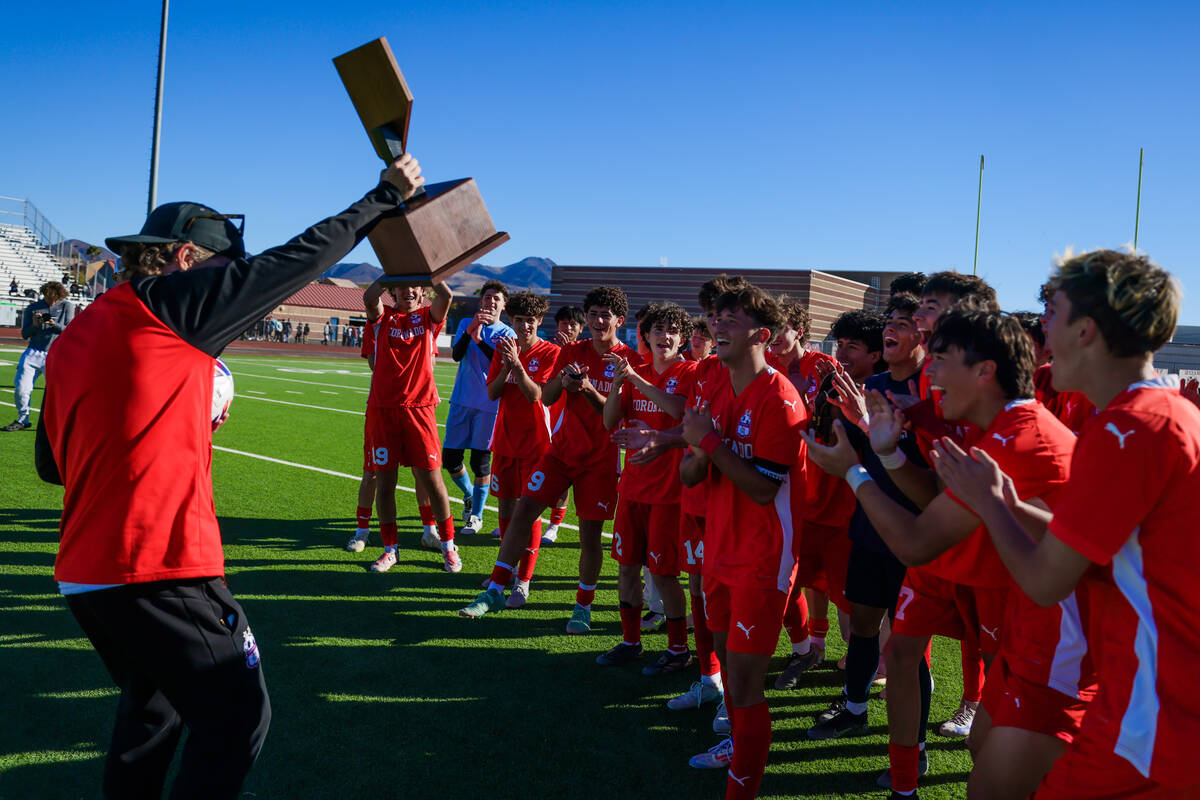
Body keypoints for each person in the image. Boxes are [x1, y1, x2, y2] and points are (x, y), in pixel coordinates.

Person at [33, 153, 425, 799]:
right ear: (186, 259)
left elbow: (53, 467)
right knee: (238, 716)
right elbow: (294, 262)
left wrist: (165, 423)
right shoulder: (176, 304)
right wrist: (382, 197)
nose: (236, 288)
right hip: (157, 563)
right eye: (226, 271)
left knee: (152, 717)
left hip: (86, 573)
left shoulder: (82, 330)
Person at [932, 249, 1199, 799]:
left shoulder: (1128, 430)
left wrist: (990, 505)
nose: (1043, 331)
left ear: (1087, 330)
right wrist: (1006, 500)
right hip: (1154, 702)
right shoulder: (1162, 414)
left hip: (1155, 717)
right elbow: (1105, 540)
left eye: (1052, 311)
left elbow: (1045, 581)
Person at [680, 284, 807, 799]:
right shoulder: (717, 387)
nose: (717, 324)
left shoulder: (781, 398)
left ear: (763, 334)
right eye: (714, 315)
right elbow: (692, 475)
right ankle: (739, 745)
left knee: (748, 681)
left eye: (730, 317)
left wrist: (707, 441)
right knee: (732, 671)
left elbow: (761, 488)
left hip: (763, 557)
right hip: (721, 548)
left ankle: (742, 788)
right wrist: (697, 447)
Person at [458, 286, 639, 633]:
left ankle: (582, 607)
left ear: (620, 320)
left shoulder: (627, 362)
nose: (599, 321)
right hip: (560, 452)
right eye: (594, 314)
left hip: (599, 460)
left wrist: (587, 389)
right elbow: (548, 396)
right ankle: (497, 588)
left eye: (606, 315)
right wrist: (565, 381)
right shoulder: (573, 349)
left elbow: (613, 419)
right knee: (523, 509)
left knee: (589, 536)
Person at [598, 301, 695, 672]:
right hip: (633, 489)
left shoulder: (689, 371)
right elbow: (610, 421)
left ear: (682, 338)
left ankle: (677, 649)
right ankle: (630, 641)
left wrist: (636, 380)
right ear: (647, 336)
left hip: (669, 494)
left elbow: (677, 412)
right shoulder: (634, 371)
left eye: (672, 330)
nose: (664, 336)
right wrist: (619, 384)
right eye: (658, 330)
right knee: (626, 569)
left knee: (665, 575)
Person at [361, 277, 461, 574]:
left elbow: (447, 295)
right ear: (393, 290)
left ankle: (448, 546)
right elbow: (369, 299)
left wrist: (429, 273)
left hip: (420, 410)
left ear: (423, 290)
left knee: (433, 481)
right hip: (384, 411)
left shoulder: (429, 317)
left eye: (414, 286)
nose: (408, 291)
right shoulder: (382, 318)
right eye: (402, 287)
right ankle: (390, 549)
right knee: (386, 483)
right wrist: (391, 273)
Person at [483, 290, 559, 607]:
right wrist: (505, 365)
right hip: (504, 443)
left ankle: (524, 581)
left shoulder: (551, 352)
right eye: (519, 321)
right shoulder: (504, 349)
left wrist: (516, 366)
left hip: (536, 447)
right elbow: (491, 393)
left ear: (539, 322)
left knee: (528, 514)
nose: (525, 327)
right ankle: (505, 569)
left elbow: (535, 395)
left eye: (531, 321)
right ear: (511, 321)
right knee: (504, 510)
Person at [445, 280, 513, 535]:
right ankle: (470, 495)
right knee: (450, 459)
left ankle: (476, 515)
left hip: (489, 405)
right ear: (480, 300)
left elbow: (499, 364)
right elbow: (456, 355)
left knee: (480, 463)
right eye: (487, 297)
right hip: (461, 400)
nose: (491, 301)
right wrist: (471, 331)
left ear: (503, 305)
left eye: (496, 298)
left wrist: (480, 339)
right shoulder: (466, 322)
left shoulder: (508, 333)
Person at [4, 281, 75, 432]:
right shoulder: (33, 307)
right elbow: (24, 334)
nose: (52, 302)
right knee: (21, 388)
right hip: (33, 352)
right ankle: (23, 419)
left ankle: (59, 424)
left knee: (57, 392)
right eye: (49, 298)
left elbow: (70, 331)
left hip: (57, 354)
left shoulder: (66, 306)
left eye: (55, 298)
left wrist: (53, 323)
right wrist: (35, 325)